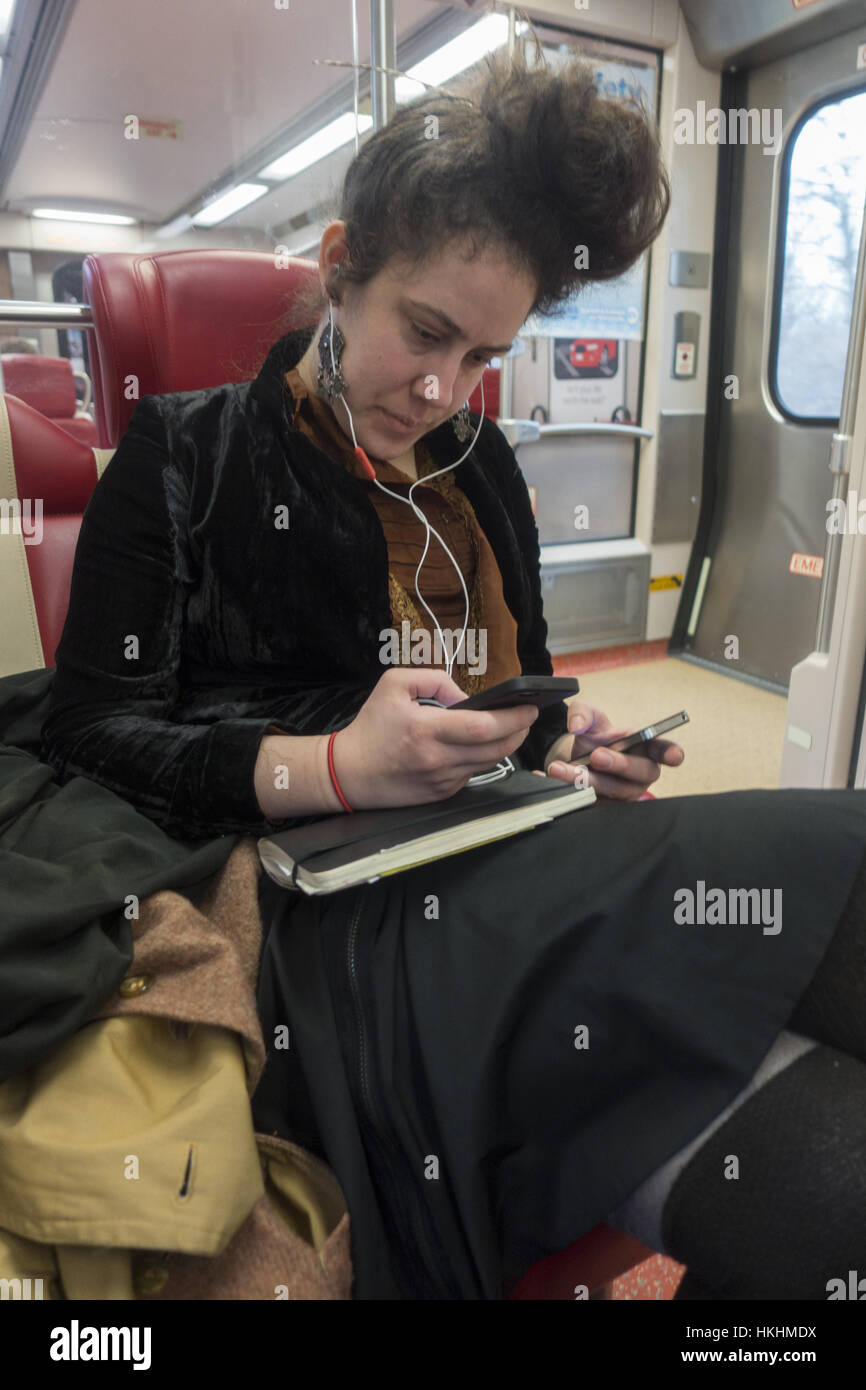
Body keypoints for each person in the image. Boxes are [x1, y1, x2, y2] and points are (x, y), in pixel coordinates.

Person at [40, 48, 866, 1300]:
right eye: (423, 331)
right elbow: (90, 730)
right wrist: (323, 763)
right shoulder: (180, 452)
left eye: (482, 355)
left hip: (495, 849)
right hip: (320, 912)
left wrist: (561, 737)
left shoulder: (477, 466)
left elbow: (518, 685)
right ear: (336, 270)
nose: (442, 389)